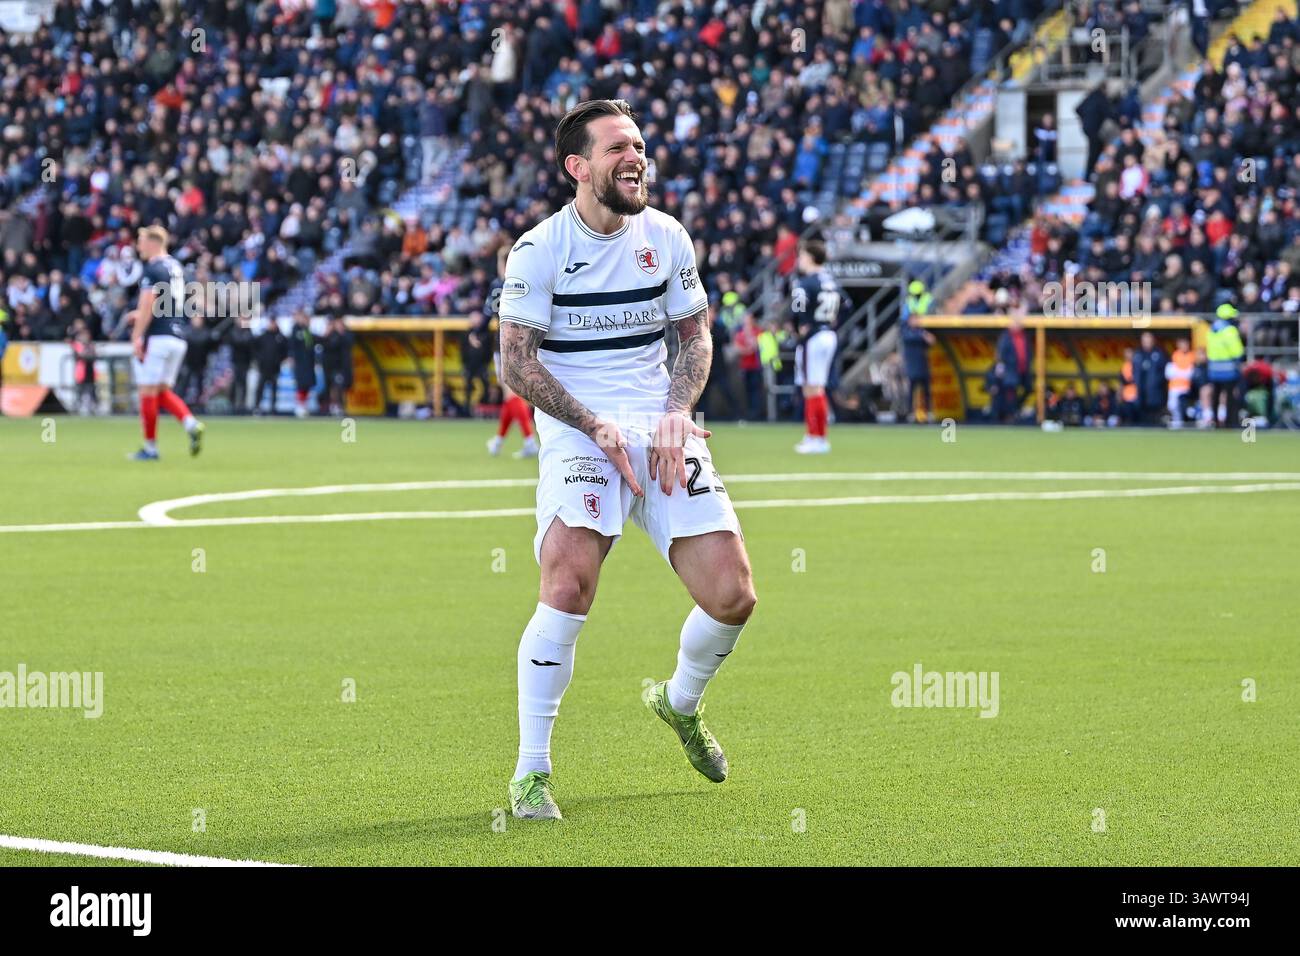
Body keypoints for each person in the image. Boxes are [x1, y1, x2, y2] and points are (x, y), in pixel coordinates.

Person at [496, 99, 755, 821]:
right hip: (581, 431)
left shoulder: (667, 235)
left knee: (733, 595)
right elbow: (516, 364)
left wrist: (675, 416)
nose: (635, 156)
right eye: (617, 147)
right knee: (570, 580)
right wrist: (592, 426)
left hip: (658, 426)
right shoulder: (540, 249)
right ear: (578, 167)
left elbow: (695, 338)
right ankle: (532, 773)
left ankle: (680, 704)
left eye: (639, 143)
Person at [127, 226, 204, 460]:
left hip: (158, 337)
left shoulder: (153, 268)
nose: (138, 246)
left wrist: (137, 335)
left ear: (153, 242)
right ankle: (191, 424)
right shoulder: (176, 267)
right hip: (178, 337)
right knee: (160, 391)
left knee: (147, 391)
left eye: (140, 241)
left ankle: (150, 448)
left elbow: (148, 304)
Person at [791, 240, 843, 453]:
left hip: (813, 336)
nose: (799, 260)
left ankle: (817, 436)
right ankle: (815, 435)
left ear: (811, 257)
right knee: (816, 385)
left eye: (802, 255)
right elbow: (846, 305)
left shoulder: (805, 282)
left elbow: (797, 309)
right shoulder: (832, 281)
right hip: (828, 333)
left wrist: (801, 327)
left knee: (811, 387)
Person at [1203, 302, 1244, 427]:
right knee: (1231, 396)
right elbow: (1237, 351)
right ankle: (1230, 421)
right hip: (1228, 369)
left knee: (1215, 395)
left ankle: (1215, 420)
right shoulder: (1229, 330)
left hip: (1214, 368)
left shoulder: (1212, 329)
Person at [900, 311, 936, 423]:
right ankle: (910, 413)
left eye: (917, 319)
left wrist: (924, 336)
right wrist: (922, 336)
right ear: (910, 320)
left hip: (923, 364)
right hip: (911, 365)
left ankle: (928, 413)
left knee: (926, 390)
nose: (916, 321)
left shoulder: (921, 331)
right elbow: (910, 338)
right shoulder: (906, 331)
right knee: (911, 390)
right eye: (914, 319)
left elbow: (932, 341)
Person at [320, 316, 354, 416]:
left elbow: (349, 343)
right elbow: (328, 345)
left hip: (342, 366)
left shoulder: (347, 335)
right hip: (332, 366)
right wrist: (326, 334)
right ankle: (334, 406)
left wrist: (340, 333)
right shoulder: (332, 335)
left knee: (340, 386)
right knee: (333, 386)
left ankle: (339, 405)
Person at [254, 319, 288, 415]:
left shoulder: (280, 337)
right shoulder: (263, 336)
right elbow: (254, 348)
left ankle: (273, 408)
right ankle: (257, 407)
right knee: (260, 389)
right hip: (263, 368)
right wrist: (259, 359)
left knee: (274, 389)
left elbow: (285, 349)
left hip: (275, 368)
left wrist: (280, 360)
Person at [289, 310, 317, 418]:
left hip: (308, 363)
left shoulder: (307, 331)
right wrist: (292, 358)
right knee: (301, 384)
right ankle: (299, 406)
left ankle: (304, 405)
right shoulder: (295, 330)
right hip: (300, 362)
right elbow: (292, 346)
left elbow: (310, 346)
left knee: (307, 385)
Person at [1165, 337, 1195, 428]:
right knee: (1172, 406)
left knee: (1184, 406)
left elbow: (1191, 373)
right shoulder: (1175, 355)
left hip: (1186, 387)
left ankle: (1183, 421)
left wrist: (1178, 373)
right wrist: (1183, 373)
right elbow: (1169, 373)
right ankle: (1176, 421)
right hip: (1174, 387)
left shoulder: (1192, 355)